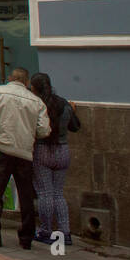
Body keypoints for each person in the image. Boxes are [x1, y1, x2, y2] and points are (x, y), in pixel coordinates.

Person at [0, 67, 50, 249]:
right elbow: (44, 129)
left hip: (0, 148)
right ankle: (26, 237)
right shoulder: (36, 101)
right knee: (26, 195)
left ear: (10, 78)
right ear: (26, 82)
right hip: (24, 153)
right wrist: (29, 135)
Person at [30, 72, 80, 247]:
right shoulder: (64, 103)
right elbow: (75, 126)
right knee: (59, 193)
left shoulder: (37, 105)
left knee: (45, 193)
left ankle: (46, 230)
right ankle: (65, 232)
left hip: (43, 149)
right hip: (62, 149)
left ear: (34, 88)